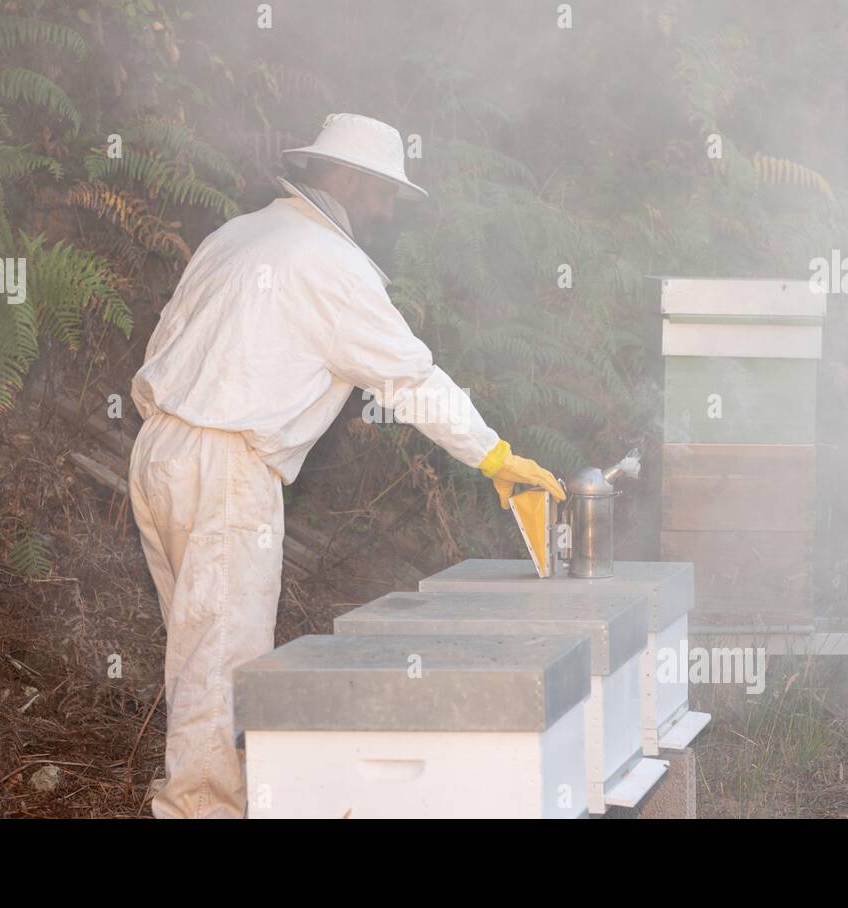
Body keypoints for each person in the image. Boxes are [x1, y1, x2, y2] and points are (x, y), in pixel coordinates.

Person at [128, 113, 566, 819]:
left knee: (195, 640)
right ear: (351, 180)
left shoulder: (237, 233)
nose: (391, 212)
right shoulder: (332, 265)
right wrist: (494, 455)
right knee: (221, 655)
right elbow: (410, 380)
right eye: (386, 196)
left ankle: (214, 788)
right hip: (226, 468)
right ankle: (199, 809)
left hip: (158, 448)